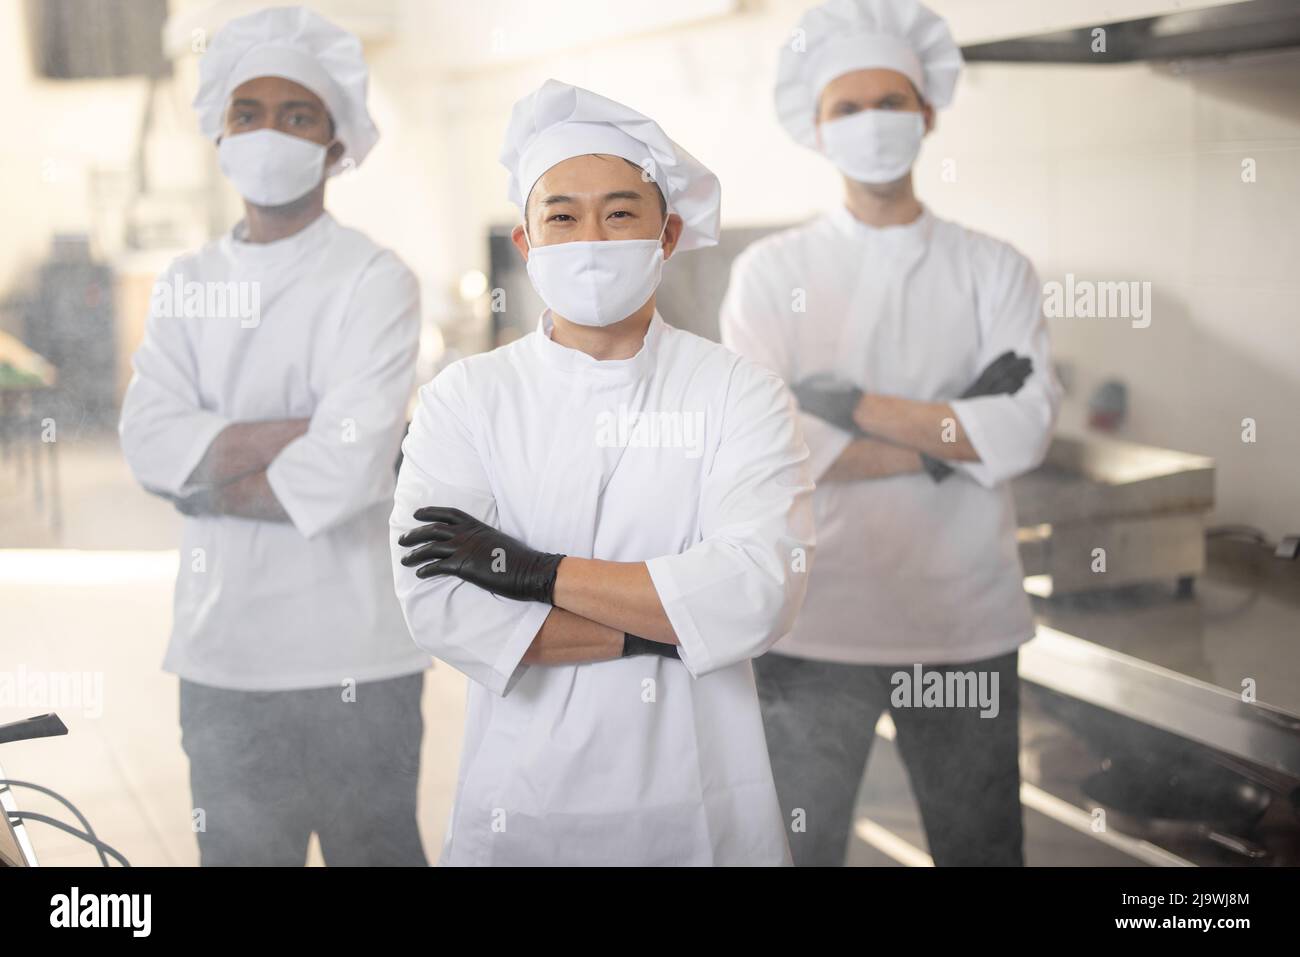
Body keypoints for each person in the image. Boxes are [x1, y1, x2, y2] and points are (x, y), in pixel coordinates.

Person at [390, 79, 814, 866]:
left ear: (668, 233)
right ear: (526, 243)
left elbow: (760, 591)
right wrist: (676, 631)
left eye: (620, 212)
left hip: (700, 804)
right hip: (525, 805)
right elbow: (440, 605)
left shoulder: (736, 392)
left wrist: (531, 571)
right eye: (561, 215)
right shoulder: (466, 400)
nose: (591, 238)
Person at [720, 0, 1061, 866]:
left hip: (965, 626)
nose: (874, 123)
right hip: (814, 621)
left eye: (892, 101)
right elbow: (766, 445)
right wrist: (954, 438)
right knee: (797, 853)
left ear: (929, 113)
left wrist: (850, 404)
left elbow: (1024, 431)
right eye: (849, 106)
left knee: (982, 852)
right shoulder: (773, 272)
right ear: (816, 126)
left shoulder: (995, 267)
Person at [119, 6, 428, 866]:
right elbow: (147, 443)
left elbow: (350, 468)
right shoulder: (186, 282)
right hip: (222, 662)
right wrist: (296, 433)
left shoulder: (374, 279)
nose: (268, 132)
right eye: (246, 113)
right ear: (218, 134)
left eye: (297, 115)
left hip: (357, 660)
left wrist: (202, 468)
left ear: (335, 144)